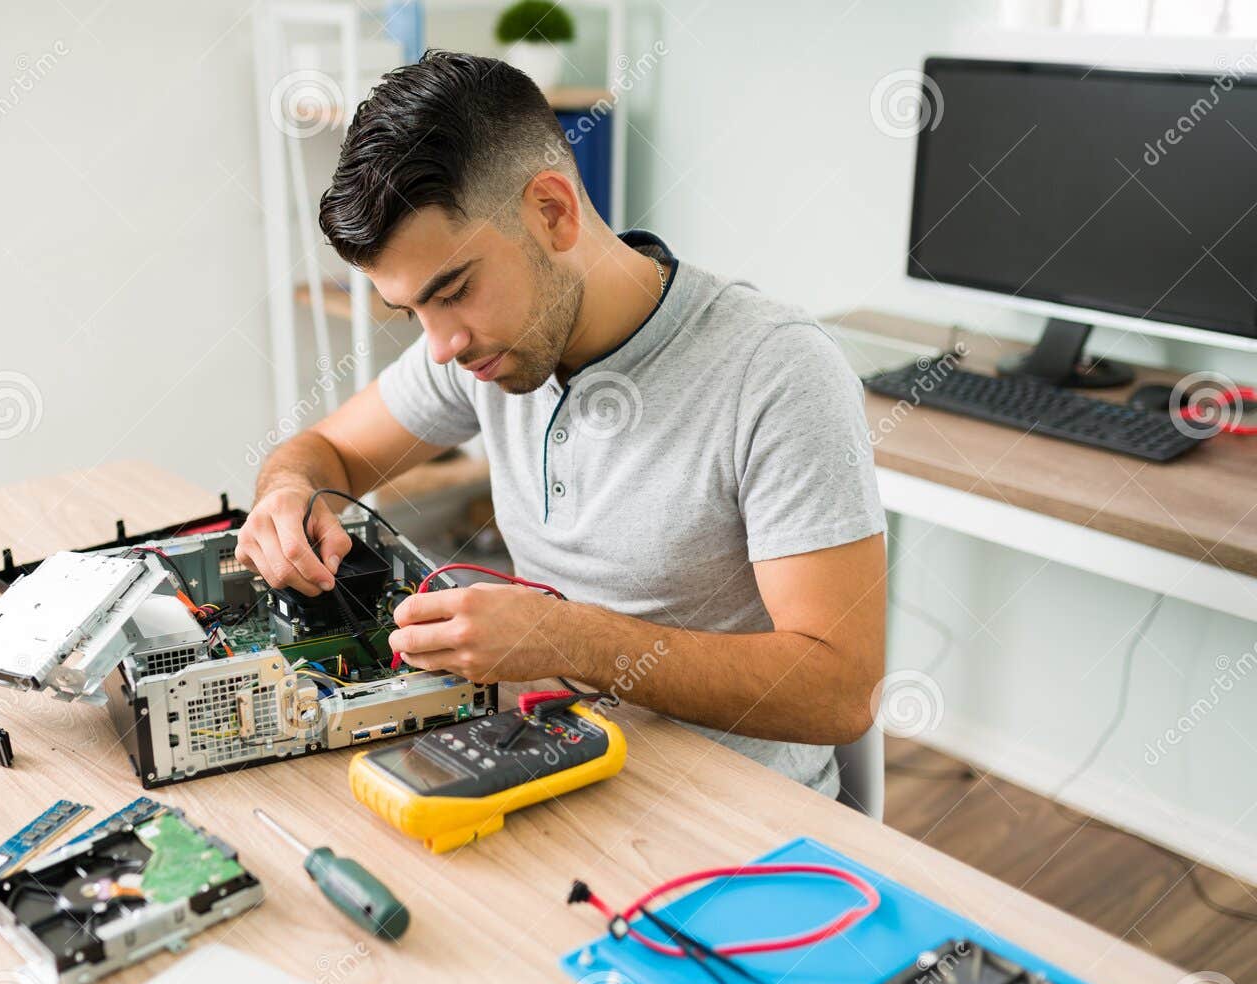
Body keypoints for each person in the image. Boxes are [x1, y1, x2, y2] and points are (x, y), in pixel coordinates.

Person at [236, 51, 886, 795]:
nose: (441, 345)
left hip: (736, 821)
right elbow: (326, 450)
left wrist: (567, 638)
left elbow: (842, 691)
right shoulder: (481, 350)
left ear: (553, 212)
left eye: (454, 289)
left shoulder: (776, 371)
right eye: (413, 311)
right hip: (551, 768)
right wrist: (286, 493)